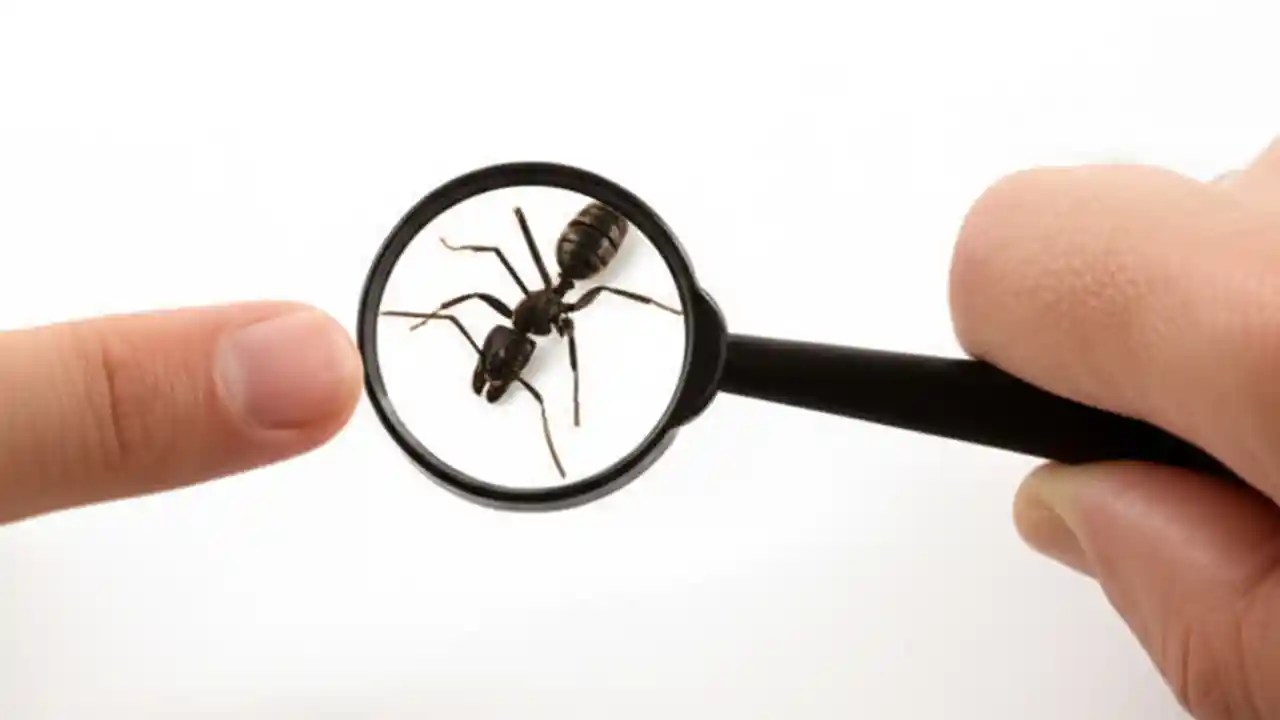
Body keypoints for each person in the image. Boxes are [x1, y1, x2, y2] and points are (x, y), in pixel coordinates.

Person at [2, 139, 1277, 719]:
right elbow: (475, 322)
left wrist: (555, 415)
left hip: (602, 255)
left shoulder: (558, 300)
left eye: (504, 356)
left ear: (520, 331)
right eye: (511, 358)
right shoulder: (507, 320)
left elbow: (509, 338)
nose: (505, 359)